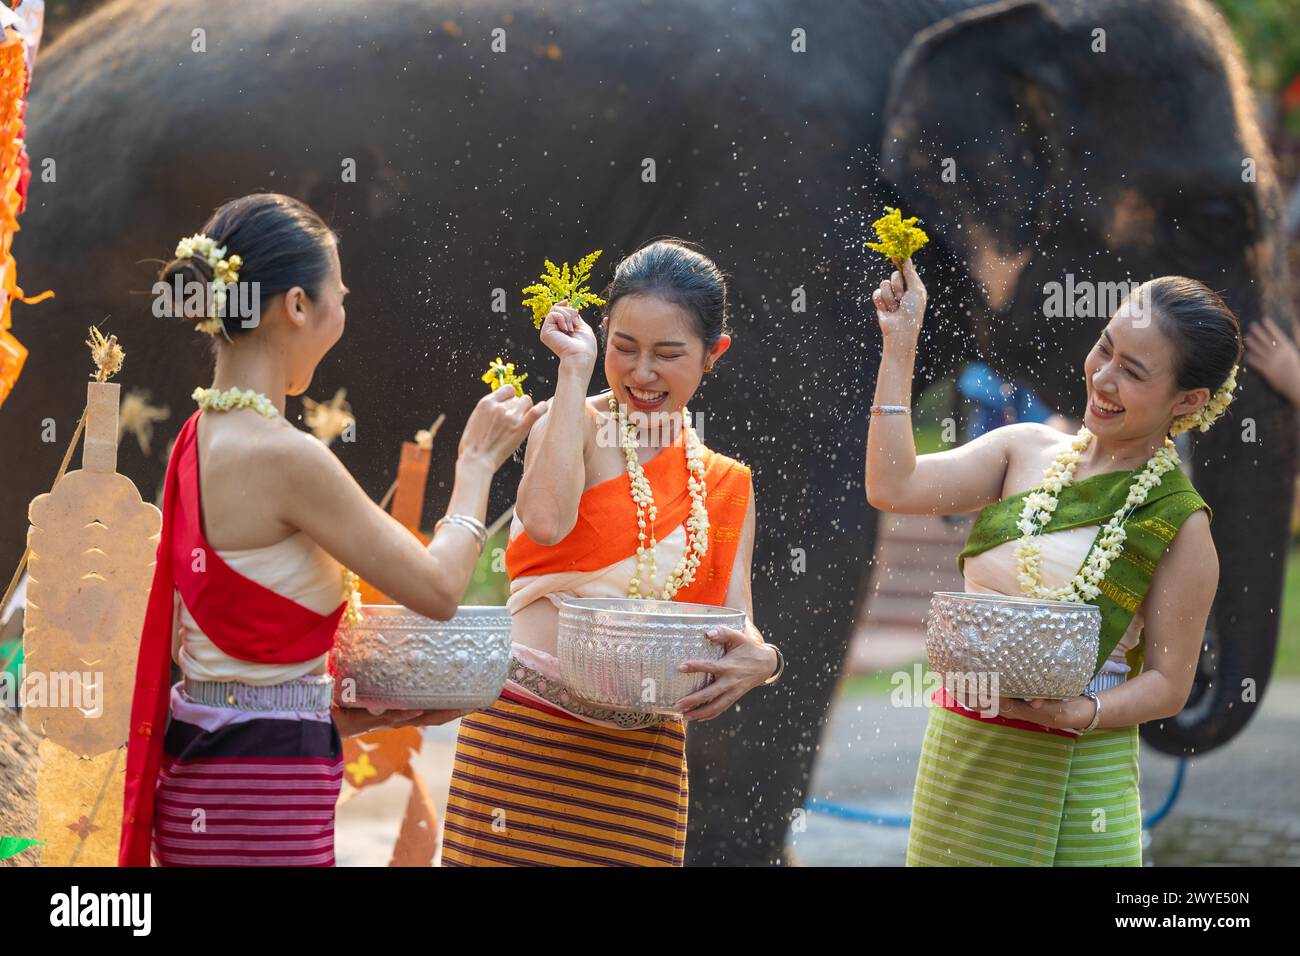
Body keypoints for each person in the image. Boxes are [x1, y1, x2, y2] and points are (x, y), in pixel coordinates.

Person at [120, 193, 544, 866]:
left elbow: (219, 659)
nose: (342, 314)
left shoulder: (196, 441)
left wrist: (333, 714)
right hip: (266, 795)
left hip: (206, 768)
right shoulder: (287, 457)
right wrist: (476, 463)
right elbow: (436, 590)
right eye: (337, 296)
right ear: (295, 305)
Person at [866, 263, 1234, 866]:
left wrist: (1081, 713)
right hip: (963, 751)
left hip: (1079, 773)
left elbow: (1170, 683)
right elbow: (893, 484)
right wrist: (900, 344)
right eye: (1105, 349)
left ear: (1189, 400)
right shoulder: (1024, 449)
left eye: (1132, 372)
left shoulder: (1179, 523)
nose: (1103, 377)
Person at [441, 239, 783, 866]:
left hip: (642, 758)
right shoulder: (574, 424)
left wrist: (764, 659)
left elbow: (736, 619)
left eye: (668, 355)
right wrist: (574, 372)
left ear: (714, 355)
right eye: (624, 349)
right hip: (524, 733)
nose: (641, 373)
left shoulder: (726, 482)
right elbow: (544, 523)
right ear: (602, 336)